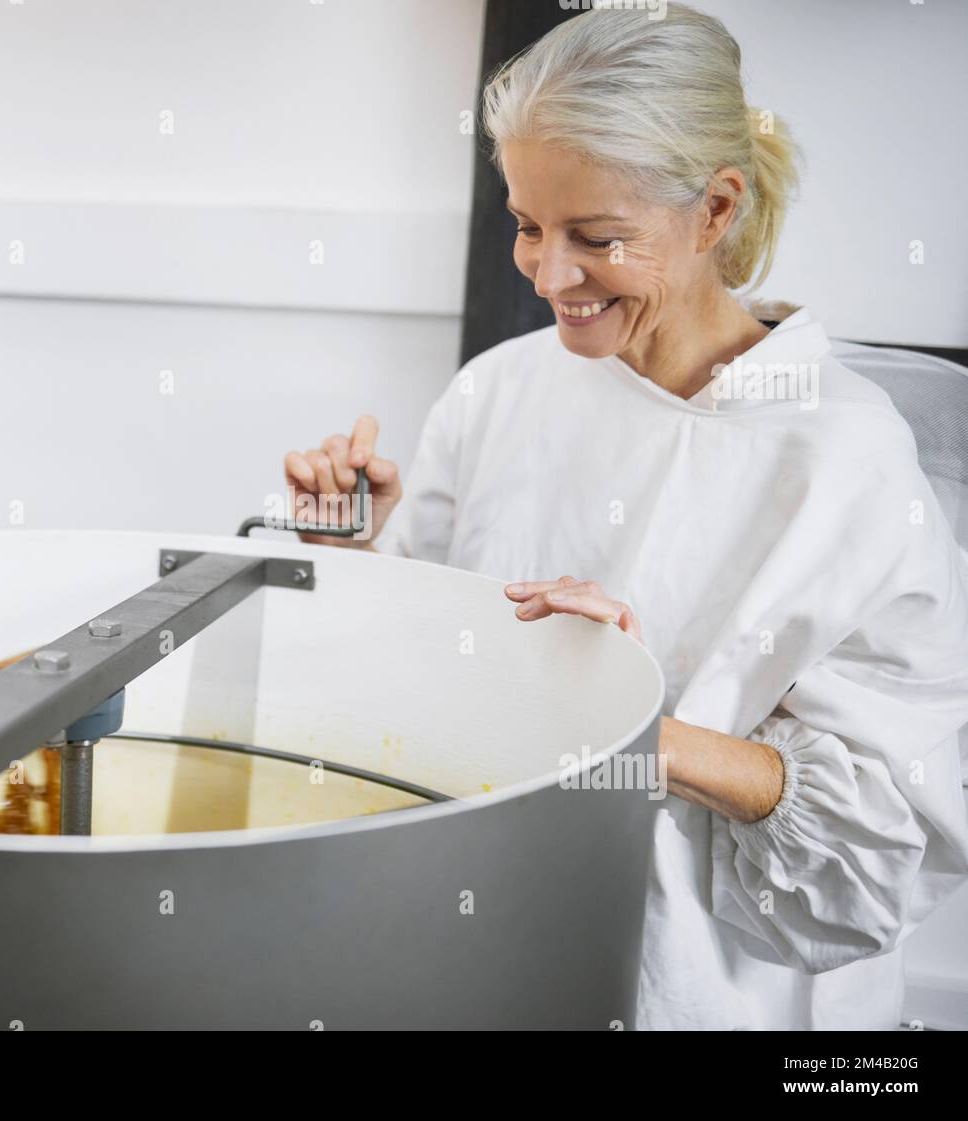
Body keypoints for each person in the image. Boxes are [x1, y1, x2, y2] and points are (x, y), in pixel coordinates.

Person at [282, 3, 968, 1030]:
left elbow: (880, 854)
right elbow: (406, 684)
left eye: (596, 237)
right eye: (525, 224)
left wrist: (631, 724)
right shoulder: (499, 388)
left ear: (714, 209)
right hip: (477, 953)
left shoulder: (843, 462)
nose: (549, 276)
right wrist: (355, 547)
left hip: (701, 995)